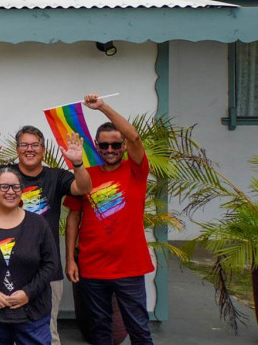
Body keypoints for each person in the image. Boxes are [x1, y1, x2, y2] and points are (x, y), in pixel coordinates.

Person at [0, 126, 92, 344]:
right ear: (17, 149)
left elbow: (83, 187)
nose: (29, 149)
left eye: (35, 145)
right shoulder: (6, 174)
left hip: (44, 272)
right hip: (1, 272)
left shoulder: (55, 176)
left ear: (43, 150)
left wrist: (78, 163)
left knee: (47, 332)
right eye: (24, 144)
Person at [64, 94, 154, 345]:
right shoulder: (85, 174)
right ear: (96, 145)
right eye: (104, 146)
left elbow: (135, 136)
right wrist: (71, 259)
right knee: (99, 331)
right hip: (92, 266)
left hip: (129, 266)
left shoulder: (136, 170)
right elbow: (73, 216)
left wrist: (103, 107)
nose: (110, 150)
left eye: (116, 145)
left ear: (124, 146)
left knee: (139, 329)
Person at [0, 165, 61, 345]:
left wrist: (27, 293)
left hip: (32, 312)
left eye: (16, 187)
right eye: (4, 187)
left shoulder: (38, 223)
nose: (11, 192)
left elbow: (50, 264)